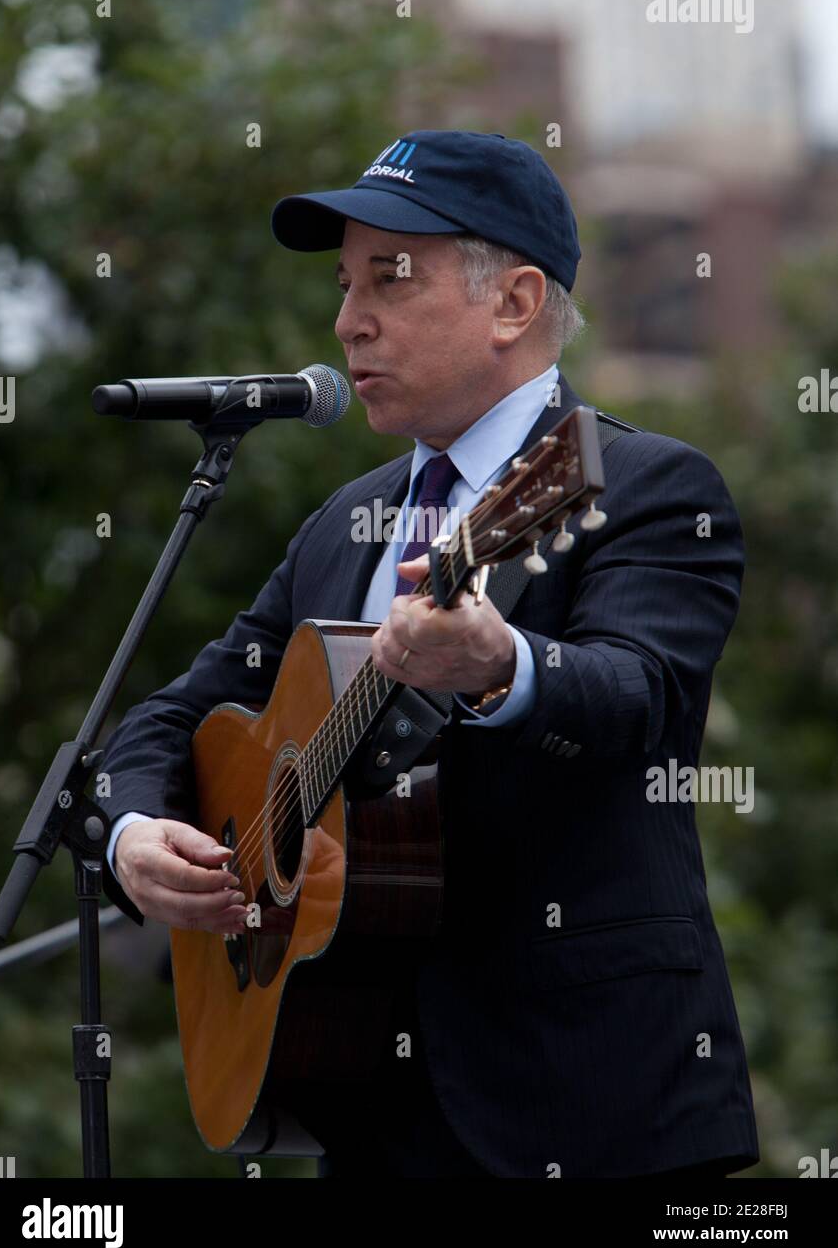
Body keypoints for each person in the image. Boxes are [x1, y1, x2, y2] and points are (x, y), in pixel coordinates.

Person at [97, 129, 759, 1179]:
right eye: (344, 282)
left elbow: (640, 699)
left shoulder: (639, 485)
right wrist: (131, 829)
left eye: (389, 279)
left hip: (585, 1112)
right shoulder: (341, 525)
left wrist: (502, 666)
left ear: (514, 302)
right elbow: (176, 715)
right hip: (358, 1104)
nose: (345, 319)